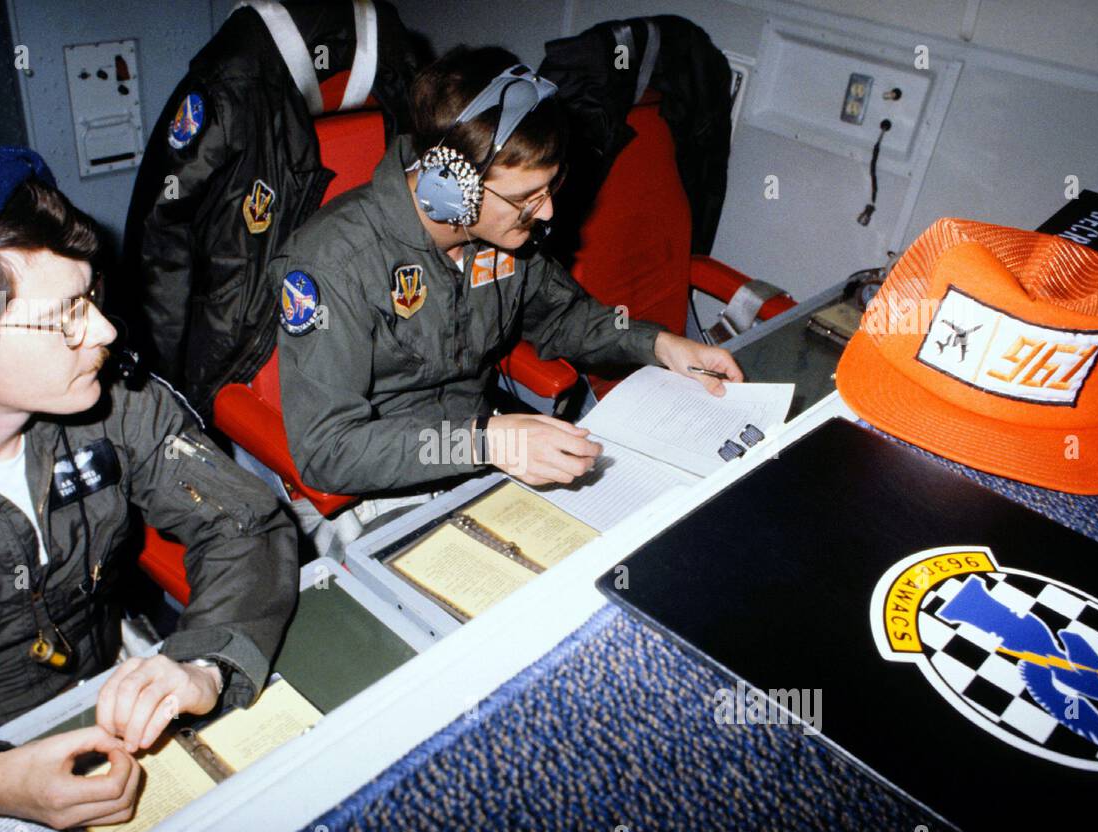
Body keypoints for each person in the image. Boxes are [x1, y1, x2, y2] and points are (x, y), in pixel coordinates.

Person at [0, 144, 298, 832]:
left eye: (92, 296)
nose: (104, 331)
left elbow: (245, 523)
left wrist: (201, 661)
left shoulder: (111, 402)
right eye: (66, 313)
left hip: (103, 708)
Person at [269, 47, 743, 520]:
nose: (547, 212)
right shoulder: (333, 263)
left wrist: (658, 345)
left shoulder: (498, 234)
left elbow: (563, 316)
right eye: (525, 198)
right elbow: (328, 452)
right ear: (449, 188)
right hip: (379, 481)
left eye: (550, 188)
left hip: (483, 452)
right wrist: (487, 441)